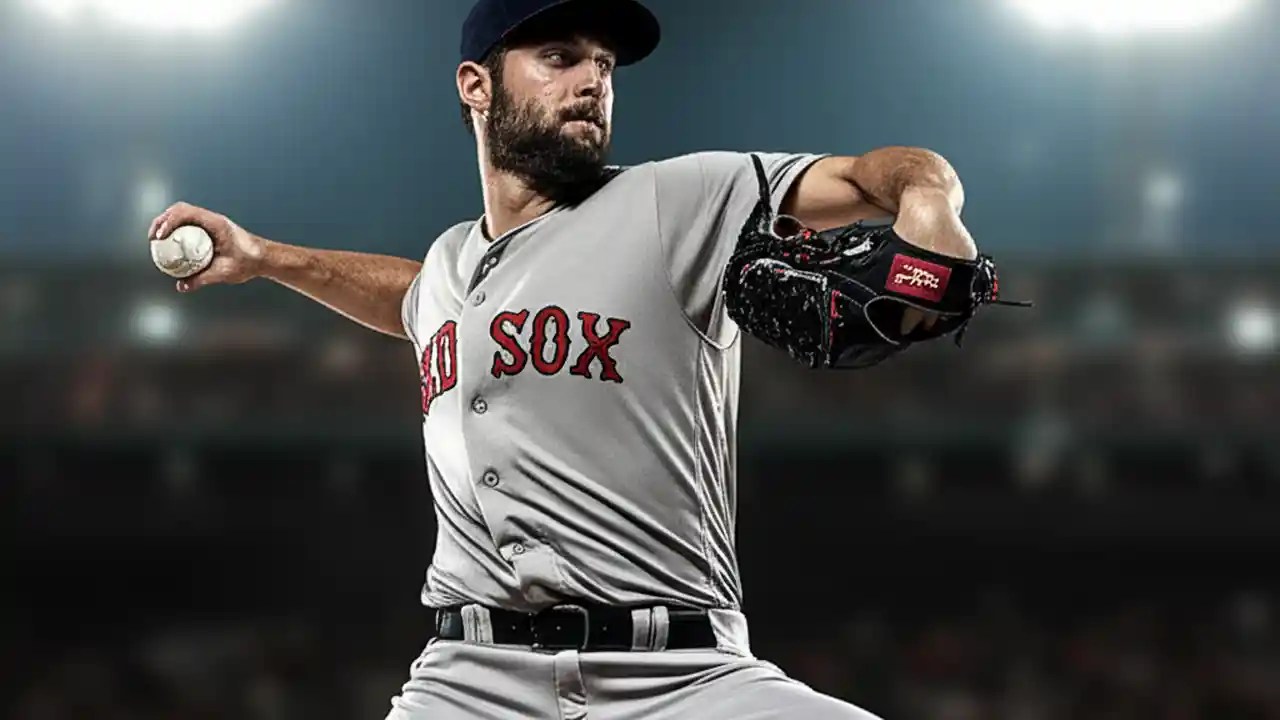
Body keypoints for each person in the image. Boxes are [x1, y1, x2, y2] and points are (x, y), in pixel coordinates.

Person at [147, 1, 984, 717]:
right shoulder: (449, 267)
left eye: (604, 64)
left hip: (681, 674)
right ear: (476, 85)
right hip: (470, 679)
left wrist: (930, 197)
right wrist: (263, 256)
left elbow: (883, 174)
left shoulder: (676, 199)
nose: (591, 80)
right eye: (557, 57)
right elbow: (412, 297)